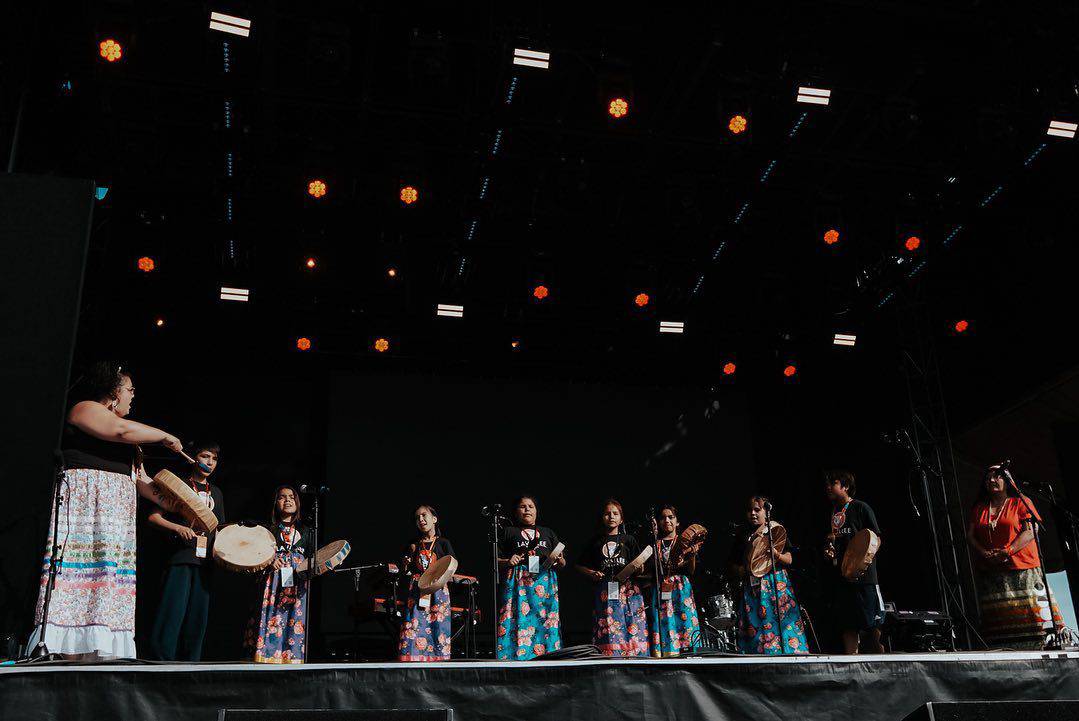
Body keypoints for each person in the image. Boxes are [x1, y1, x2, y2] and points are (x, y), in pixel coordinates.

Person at [31, 361, 183, 659]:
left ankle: (96, 647)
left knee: (107, 576)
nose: (133, 396)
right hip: (87, 510)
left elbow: (142, 482)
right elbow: (121, 430)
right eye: (129, 390)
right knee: (81, 573)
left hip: (115, 519)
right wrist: (165, 436)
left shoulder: (133, 443)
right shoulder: (84, 408)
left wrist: (182, 505)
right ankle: (64, 648)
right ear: (113, 392)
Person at [967, 463, 1064, 649]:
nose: (992, 480)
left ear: (1008, 481)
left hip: (1023, 567)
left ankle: (1042, 647)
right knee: (999, 621)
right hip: (993, 570)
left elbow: (1030, 531)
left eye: (997, 476)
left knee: (1034, 616)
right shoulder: (979, 508)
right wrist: (984, 553)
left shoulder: (1020, 502)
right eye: (988, 478)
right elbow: (970, 535)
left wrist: (1007, 551)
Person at [147, 441, 225, 661]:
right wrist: (178, 527)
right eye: (205, 456)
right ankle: (161, 662)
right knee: (172, 612)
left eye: (214, 459)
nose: (210, 462)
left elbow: (219, 529)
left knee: (197, 617)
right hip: (181, 557)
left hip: (205, 562)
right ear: (193, 458)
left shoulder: (216, 493)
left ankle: (191, 664)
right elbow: (153, 517)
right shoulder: (179, 485)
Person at [730, 496, 809, 655]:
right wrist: (743, 570)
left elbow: (790, 559)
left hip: (775, 583)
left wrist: (776, 555)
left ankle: (789, 653)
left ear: (766, 512)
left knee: (782, 621)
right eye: (749, 510)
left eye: (757, 510)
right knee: (755, 624)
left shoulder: (775, 531)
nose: (753, 513)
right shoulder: (743, 535)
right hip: (754, 587)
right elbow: (732, 563)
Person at [244, 485, 313, 664]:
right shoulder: (268, 530)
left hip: (297, 583)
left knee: (293, 618)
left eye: (291, 496)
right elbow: (256, 555)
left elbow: (313, 559)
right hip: (273, 583)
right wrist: (270, 560)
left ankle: (291, 657)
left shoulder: (307, 532)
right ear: (276, 503)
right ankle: (267, 656)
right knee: (273, 614)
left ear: (297, 502)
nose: (288, 500)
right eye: (282, 497)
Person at [575, 499, 649, 657]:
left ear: (621, 519)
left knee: (632, 622)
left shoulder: (629, 540)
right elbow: (579, 565)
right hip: (606, 590)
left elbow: (640, 565)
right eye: (607, 514)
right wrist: (592, 573)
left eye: (615, 513)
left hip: (628, 590)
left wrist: (639, 567)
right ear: (602, 518)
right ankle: (610, 656)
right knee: (608, 624)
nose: (611, 516)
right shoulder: (595, 542)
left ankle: (636, 655)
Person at [823, 469, 885, 654]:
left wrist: (862, 561)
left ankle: (882, 663)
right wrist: (829, 551)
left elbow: (876, 538)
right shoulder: (834, 512)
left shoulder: (861, 508)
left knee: (871, 624)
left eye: (832, 483)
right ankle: (852, 661)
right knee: (848, 624)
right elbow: (833, 541)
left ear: (846, 486)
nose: (828, 487)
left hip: (864, 578)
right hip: (843, 577)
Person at [496, 495, 565, 660]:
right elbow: (494, 560)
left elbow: (562, 562)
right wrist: (507, 560)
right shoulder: (508, 532)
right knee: (516, 617)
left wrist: (560, 560)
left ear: (536, 511)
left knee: (547, 619)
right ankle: (514, 657)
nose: (527, 509)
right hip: (518, 582)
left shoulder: (548, 532)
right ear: (516, 512)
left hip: (544, 581)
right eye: (522, 506)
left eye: (530, 506)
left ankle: (549, 656)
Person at [398, 505, 456, 661]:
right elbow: (404, 569)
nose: (421, 519)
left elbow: (452, 565)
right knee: (414, 622)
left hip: (438, 589)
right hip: (417, 588)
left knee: (438, 622)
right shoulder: (413, 544)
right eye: (417, 518)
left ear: (434, 519)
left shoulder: (443, 543)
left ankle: (439, 659)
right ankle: (412, 657)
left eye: (424, 515)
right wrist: (405, 561)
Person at [645, 504, 702, 657]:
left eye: (671, 517)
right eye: (663, 517)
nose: (667, 520)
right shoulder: (654, 545)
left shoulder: (685, 543)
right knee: (664, 621)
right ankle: (666, 653)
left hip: (681, 588)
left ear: (677, 522)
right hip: (661, 587)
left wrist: (692, 556)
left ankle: (689, 653)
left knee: (684, 619)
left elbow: (691, 571)